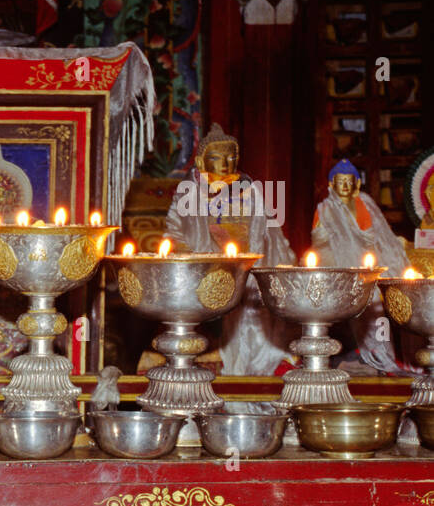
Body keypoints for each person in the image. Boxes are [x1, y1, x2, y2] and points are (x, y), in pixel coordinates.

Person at [163, 124, 294, 375]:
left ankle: (258, 372)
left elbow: (271, 233)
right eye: (216, 157)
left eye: (231, 157)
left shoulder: (250, 191)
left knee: (254, 317)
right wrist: (188, 251)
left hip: (248, 274)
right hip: (203, 274)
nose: (225, 163)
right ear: (202, 161)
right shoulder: (189, 194)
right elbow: (173, 231)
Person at [311, 159, 409, 373]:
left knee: (374, 301)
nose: (344, 187)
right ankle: (340, 352)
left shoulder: (364, 204)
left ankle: (375, 354)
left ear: (356, 184)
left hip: (365, 263)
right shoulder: (325, 208)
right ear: (331, 184)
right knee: (331, 302)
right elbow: (318, 241)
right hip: (336, 264)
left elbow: (375, 236)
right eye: (340, 182)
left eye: (349, 182)